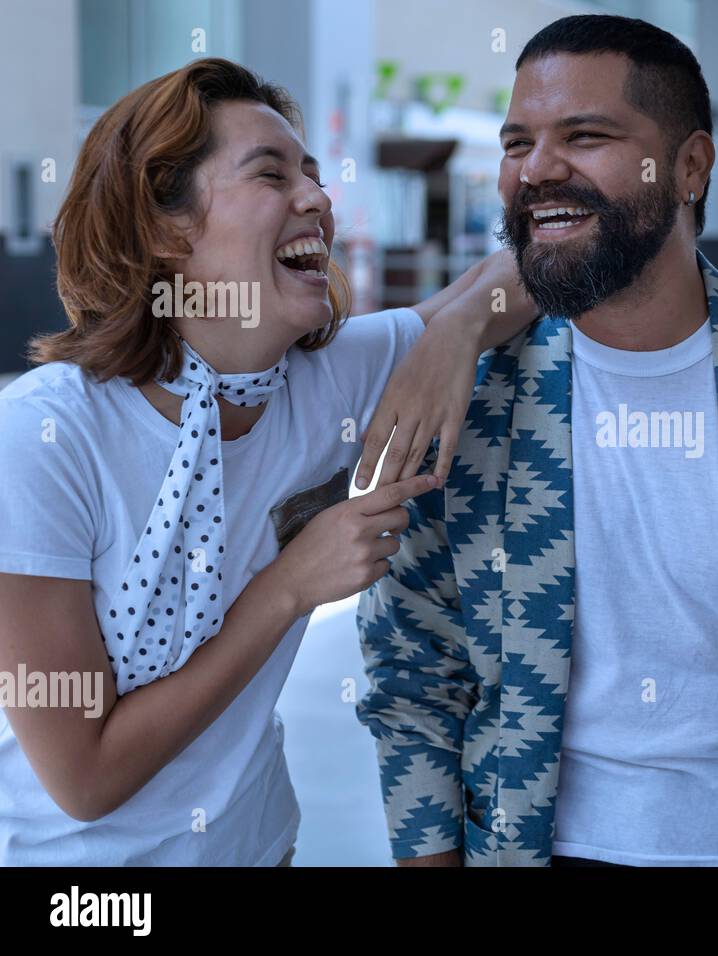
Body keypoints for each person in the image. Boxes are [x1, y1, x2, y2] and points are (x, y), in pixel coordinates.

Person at [357, 15, 718, 867]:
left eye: (585, 135)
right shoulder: (473, 406)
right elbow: (412, 684)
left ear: (690, 167)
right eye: (517, 141)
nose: (538, 169)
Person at [0, 58, 535, 865]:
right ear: (162, 225)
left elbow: (522, 272)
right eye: (271, 174)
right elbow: (85, 777)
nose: (318, 200)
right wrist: (289, 588)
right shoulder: (43, 439)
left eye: (314, 177)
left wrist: (454, 333)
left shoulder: (327, 379)